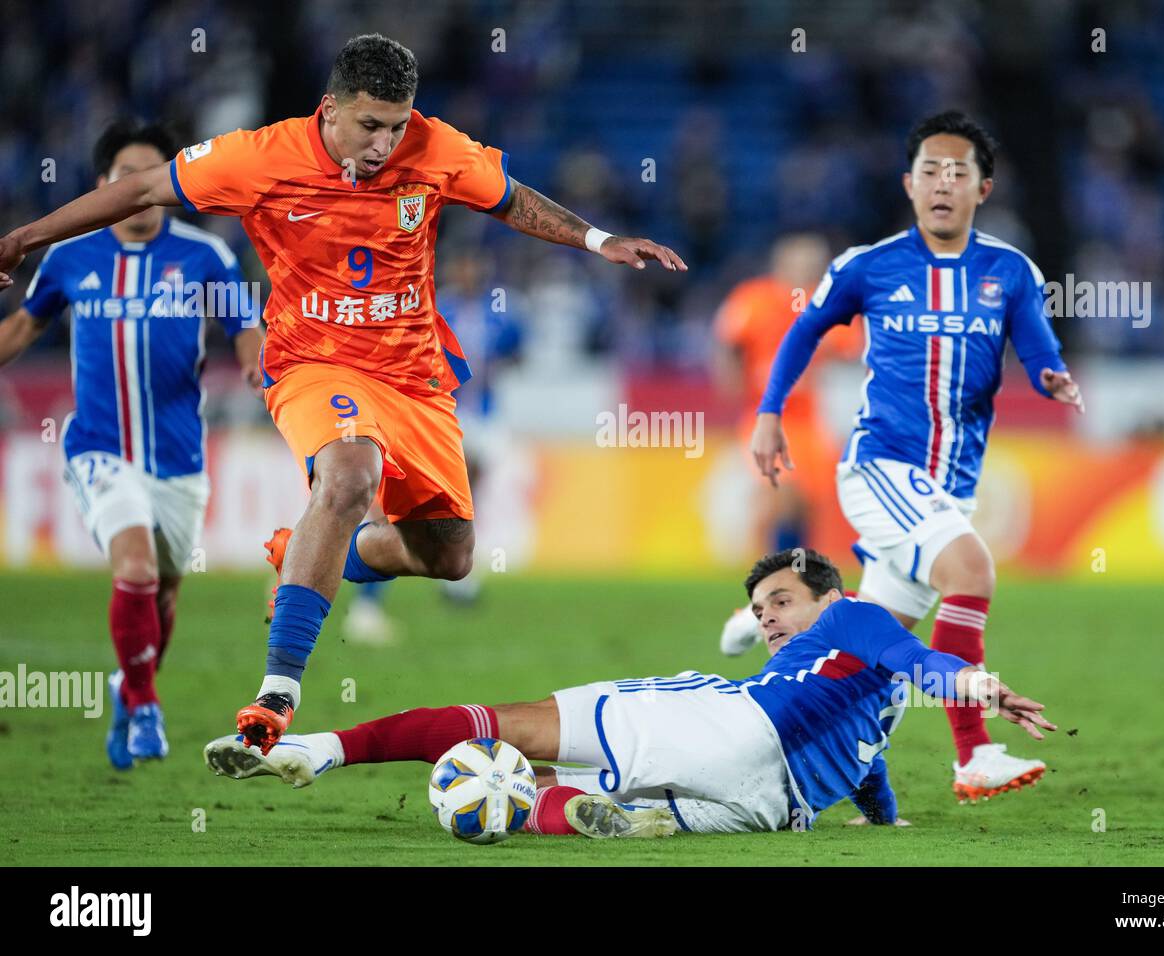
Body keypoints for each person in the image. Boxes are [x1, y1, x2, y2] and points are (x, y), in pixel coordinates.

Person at [0, 34, 687, 755]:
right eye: (370, 125)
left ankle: (306, 549)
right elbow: (141, 189)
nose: (387, 142)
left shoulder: (436, 146)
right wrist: (27, 235)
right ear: (329, 111)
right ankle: (277, 694)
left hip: (414, 373)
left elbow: (510, 200)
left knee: (448, 556)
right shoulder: (258, 157)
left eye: (397, 125)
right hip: (313, 362)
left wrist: (598, 239)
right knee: (349, 474)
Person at [202, 548, 1054, 837]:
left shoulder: (856, 617)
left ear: (829, 595)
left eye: (783, 603)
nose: (772, 623)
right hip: (769, 809)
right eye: (761, 612)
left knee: (512, 726)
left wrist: (982, 684)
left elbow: (920, 660)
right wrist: (884, 818)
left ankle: (317, 748)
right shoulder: (855, 677)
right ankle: (566, 808)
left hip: (734, 725)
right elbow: (865, 752)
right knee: (537, 789)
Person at [748, 110, 1083, 803]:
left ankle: (767, 746)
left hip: (947, 485)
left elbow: (1036, 341)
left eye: (959, 172)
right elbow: (803, 332)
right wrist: (769, 414)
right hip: (881, 466)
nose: (943, 182)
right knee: (973, 567)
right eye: (930, 169)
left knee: (865, 658)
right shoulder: (868, 267)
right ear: (909, 183)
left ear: (982, 190)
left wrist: (1052, 375)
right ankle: (974, 752)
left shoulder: (1009, 271)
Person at [0, 119, 263, 768]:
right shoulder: (69, 257)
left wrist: (258, 364)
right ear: (103, 184)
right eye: (127, 178)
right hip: (98, 448)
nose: (142, 190)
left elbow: (244, 325)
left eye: (152, 177)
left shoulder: (207, 255)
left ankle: (130, 686)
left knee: (165, 590)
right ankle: (146, 705)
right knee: (138, 569)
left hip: (178, 457)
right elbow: (22, 330)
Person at [713, 233, 859, 558]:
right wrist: (733, 380)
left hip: (809, 419)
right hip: (767, 415)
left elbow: (852, 347)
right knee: (780, 491)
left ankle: (795, 574)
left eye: (814, 262)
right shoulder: (754, 298)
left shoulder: (824, 302)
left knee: (805, 501)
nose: (807, 267)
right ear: (781, 262)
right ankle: (768, 572)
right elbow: (729, 343)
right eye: (801, 260)